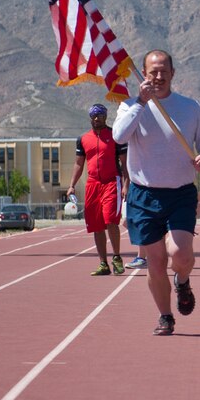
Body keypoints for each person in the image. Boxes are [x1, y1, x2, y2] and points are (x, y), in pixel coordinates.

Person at [113, 50, 200, 336]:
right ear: (144, 74)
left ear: (173, 73)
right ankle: (165, 315)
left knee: (180, 253)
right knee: (156, 261)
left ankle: (182, 280)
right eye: (152, 72)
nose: (158, 77)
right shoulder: (130, 106)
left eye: (163, 71)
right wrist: (141, 104)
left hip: (180, 193)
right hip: (144, 195)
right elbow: (119, 136)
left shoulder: (189, 108)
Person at [68, 103, 128, 276]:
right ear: (90, 118)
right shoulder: (83, 139)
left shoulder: (115, 136)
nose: (96, 118)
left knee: (110, 220)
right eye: (94, 116)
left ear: (105, 117)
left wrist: (126, 185)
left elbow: (125, 163)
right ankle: (103, 263)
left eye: (100, 115)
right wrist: (72, 185)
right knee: (96, 225)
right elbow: (79, 163)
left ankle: (116, 257)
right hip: (92, 184)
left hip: (112, 182)